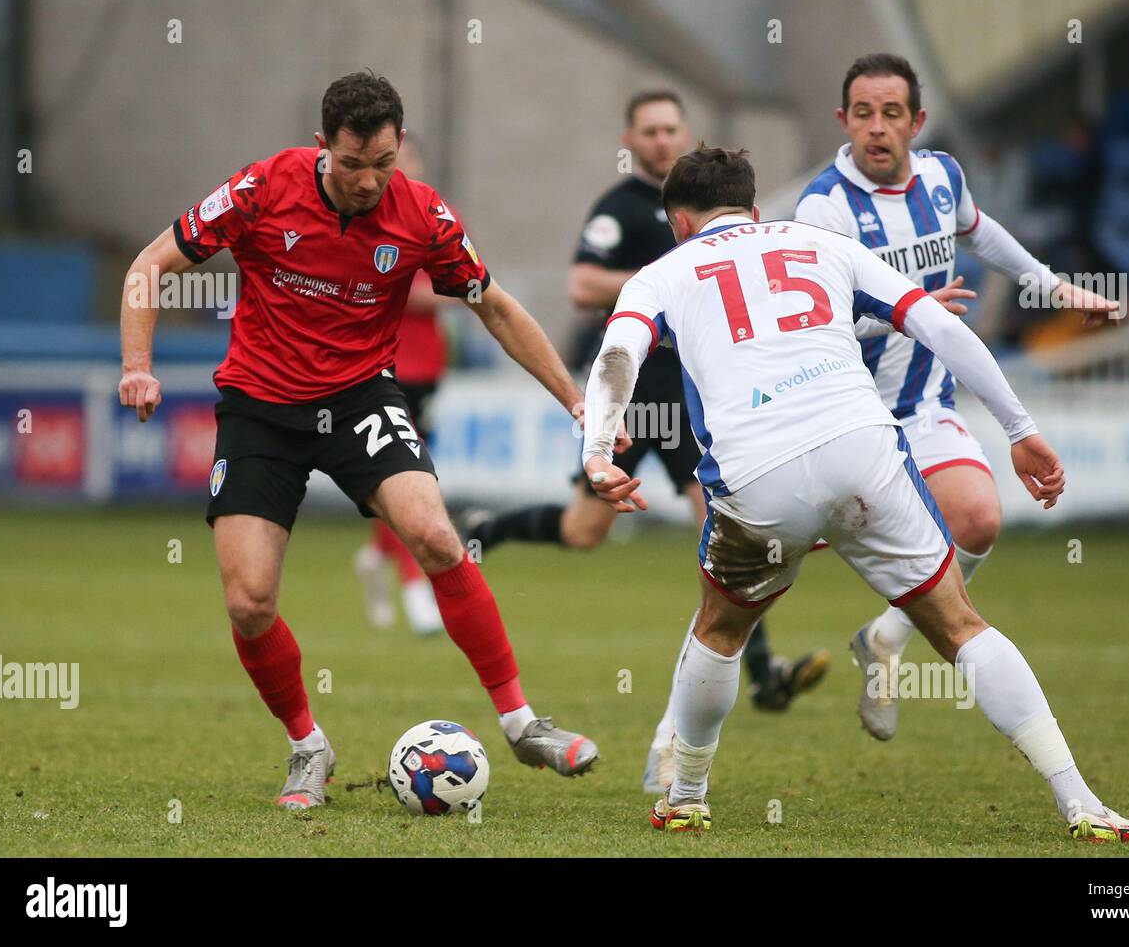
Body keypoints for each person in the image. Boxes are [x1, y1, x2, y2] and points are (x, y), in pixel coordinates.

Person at [582, 144, 1129, 842]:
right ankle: (1081, 801)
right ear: (755, 210)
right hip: (863, 450)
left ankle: (686, 796)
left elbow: (616, 356)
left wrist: (599, 452)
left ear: (679, 223)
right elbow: (938, 324)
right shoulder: (820, 242)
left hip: (760, 477)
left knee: (721, 632)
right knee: (961, 626)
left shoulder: (661, 273)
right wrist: (1020, 428)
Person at [118, 71, 599, 810]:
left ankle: (521, 721)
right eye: (352, 166)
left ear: (399, 147)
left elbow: (495, 308)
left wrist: (577, 401)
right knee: (249, 602)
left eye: (383, 163)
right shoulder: (261, 188)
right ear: (322, 149)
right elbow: (151, 264)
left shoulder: (424, 214)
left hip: (358, 398)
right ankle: (308, 748)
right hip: (260, 406)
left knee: (437, 536)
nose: (370, 181)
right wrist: (138, 367)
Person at [460, 91, 829, 792]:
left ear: (686, 135)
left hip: (693, 395)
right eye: (650, 131)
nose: (662, 141)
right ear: (630, 137)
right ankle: (486, 527)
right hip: (630, 389)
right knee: (582, 531)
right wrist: (664, 285)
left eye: (673, 129)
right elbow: (578, 284)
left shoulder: (709, 213)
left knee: (729, 533)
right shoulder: (623, 209)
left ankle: (761, 673)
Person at [795, 54, 1118, 741]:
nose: (876, 129)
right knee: (765, 565)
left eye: (891, 114)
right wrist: (904, 310)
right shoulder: (824, 208)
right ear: (842, 120)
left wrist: (1052, 286)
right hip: (845, 412)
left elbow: (981, 231)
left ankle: (884, 637)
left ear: (917, 121)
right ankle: (680, 753)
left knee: (978, 521)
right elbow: (812, 323)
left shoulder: (942, 178)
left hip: (923, 403)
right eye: (862, 114)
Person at [353, 134, 447, 635]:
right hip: (380, 365)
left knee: (406, 478)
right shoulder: (364, 221)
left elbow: (459, 286)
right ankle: (415, 587)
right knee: (405, 480)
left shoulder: (435, 220)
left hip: (428, 366)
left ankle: (375, 556)